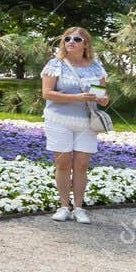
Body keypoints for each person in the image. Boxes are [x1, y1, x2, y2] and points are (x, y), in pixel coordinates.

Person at [40, 25, 108, 225]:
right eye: (67, 39)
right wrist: (77, 97)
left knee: (81, 165)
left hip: (87, 122)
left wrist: (103, 100)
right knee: (63, 163)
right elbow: (47, 93)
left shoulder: (96, 66)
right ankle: (63, 206)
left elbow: (102, 94)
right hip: (59, 120)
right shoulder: (56, 64)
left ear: (85, 43)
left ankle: (79, 208)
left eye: (76, 39)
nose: (71, 42)